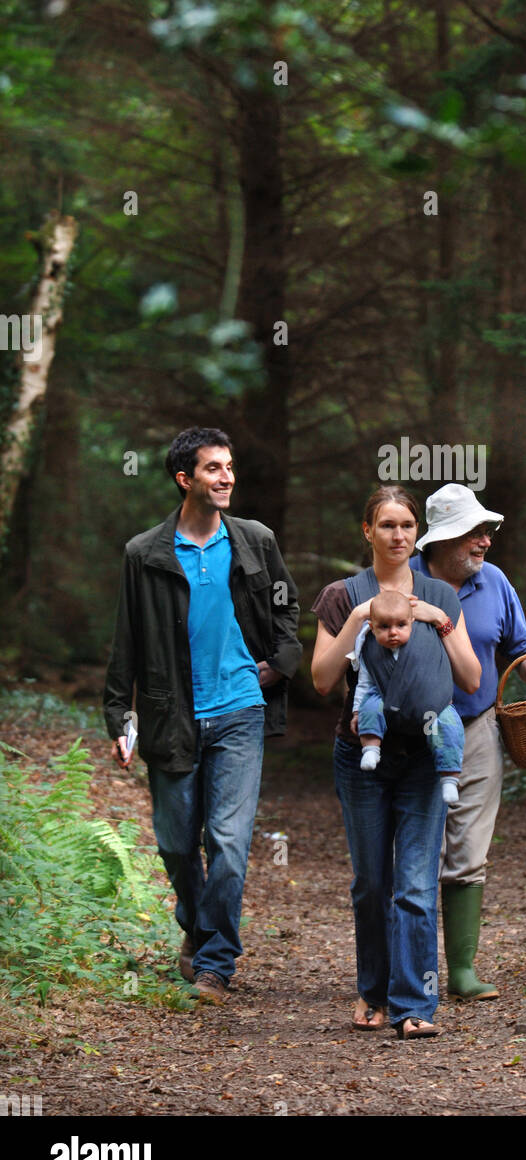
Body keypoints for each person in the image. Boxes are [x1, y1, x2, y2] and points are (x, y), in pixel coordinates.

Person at [103, 427, 301, 1003]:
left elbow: (286, 604)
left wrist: (280, 664)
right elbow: (127, 641)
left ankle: (216, 963)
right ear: (184, 478)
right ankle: (197, 924)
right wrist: (121, 718)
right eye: (214, 468)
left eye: (230, 467)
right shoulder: (145, 554)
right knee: (174, 843)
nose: (227, 477)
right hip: (172, 715)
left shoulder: (255, 541)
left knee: (229, 843)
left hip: (241, 708)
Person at [311, 486, 481, 1038]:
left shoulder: (441, 594)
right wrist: (359, 619)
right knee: (371, 883)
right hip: (360, 756)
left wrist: (439, 620)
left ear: (417, 531)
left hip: (424, 759)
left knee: (414, 883)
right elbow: (321, 678)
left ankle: (416, 1006)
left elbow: (472, 679)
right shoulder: (342, 595)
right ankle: (373, 992)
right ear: (368, 531)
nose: (399, 535)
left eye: (407, 525)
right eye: (387, 525)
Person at [411, 484, 526, 999]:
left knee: (468, 852)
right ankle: (406, 970)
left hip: (476, 731)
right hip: (411, 735)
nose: (485, 543)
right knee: (409, 854)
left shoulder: (494, 582)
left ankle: (460, 970)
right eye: (476, 533)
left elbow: (522, 644)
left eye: (487, 532)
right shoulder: (406, 581)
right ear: (444, 539)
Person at [350, 589, 464, 805]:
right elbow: (364, 683)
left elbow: (441, 669)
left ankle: (449, 778)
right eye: (384, 627)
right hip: (385, 698)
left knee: (448, 725)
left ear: (412, 622)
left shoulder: (428, 640)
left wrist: (439, 693)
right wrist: (357, 711)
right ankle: (371, 748)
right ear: (372, 627)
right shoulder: (368, 647)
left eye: (400, 626)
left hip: (428, 704)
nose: (393, 632)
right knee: (370, 706)